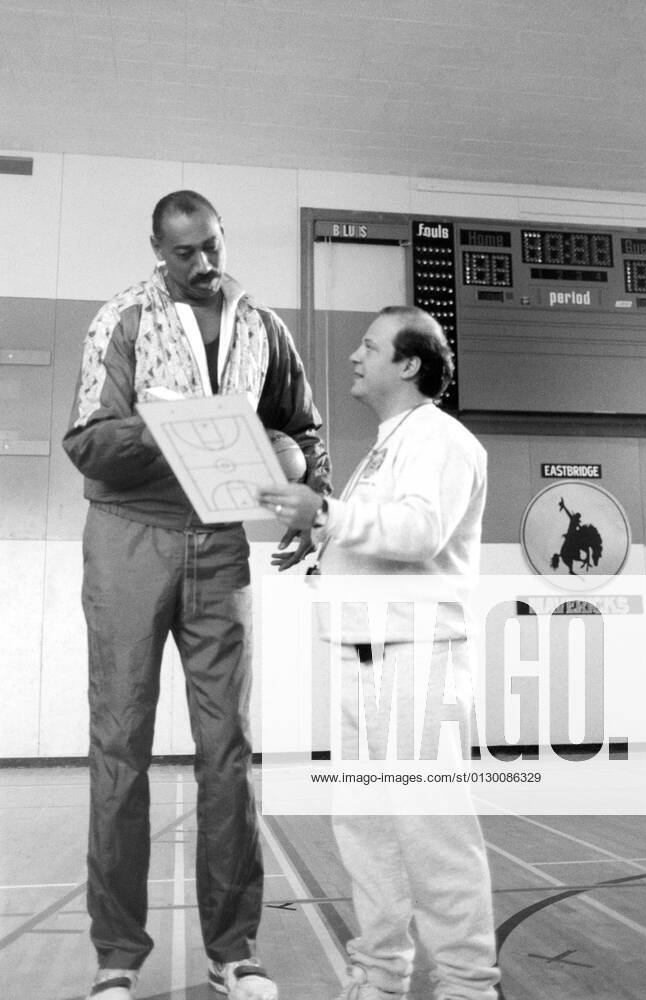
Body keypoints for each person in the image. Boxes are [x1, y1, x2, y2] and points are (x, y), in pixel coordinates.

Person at [63, 190, 331, 1000]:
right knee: (120, 746)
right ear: (158, 248)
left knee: (228, 749)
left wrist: (311, 499)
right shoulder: (121, 320)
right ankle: (117, 958)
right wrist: (169, 425)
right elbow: (87, 444)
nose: (204, 262)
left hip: (219, 542)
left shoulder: (264, 327)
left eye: (212, 245)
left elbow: (305, 432)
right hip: (129, 537)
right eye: (185, 252)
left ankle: (233, 952)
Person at [259, 306, 500, 1000]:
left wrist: (326, 513)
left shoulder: (442, 440)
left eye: (370, 346)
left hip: (415, 658)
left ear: (410, 364)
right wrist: (321, 541)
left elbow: (420, 532)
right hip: (361, 655)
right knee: (367, 830)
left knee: (432, 832)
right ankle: (381, 974)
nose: (355, 357)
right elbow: (377, 532)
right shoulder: (387, 447)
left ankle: (467, 986)